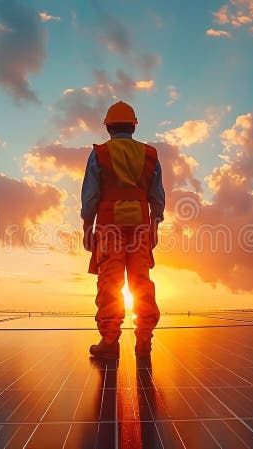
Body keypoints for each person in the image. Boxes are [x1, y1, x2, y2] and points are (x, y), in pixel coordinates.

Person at [81, 101, 165, 360]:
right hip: (140, 225)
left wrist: (87, 225)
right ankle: (143, 341)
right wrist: (155, 223)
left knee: (110, 283)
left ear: (108, 128)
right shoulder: (150, 155)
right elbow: (157, 196)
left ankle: (109, 341)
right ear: (133, 127)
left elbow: (91, 195)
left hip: (109, 226)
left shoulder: (100, 154)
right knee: (141, 281)